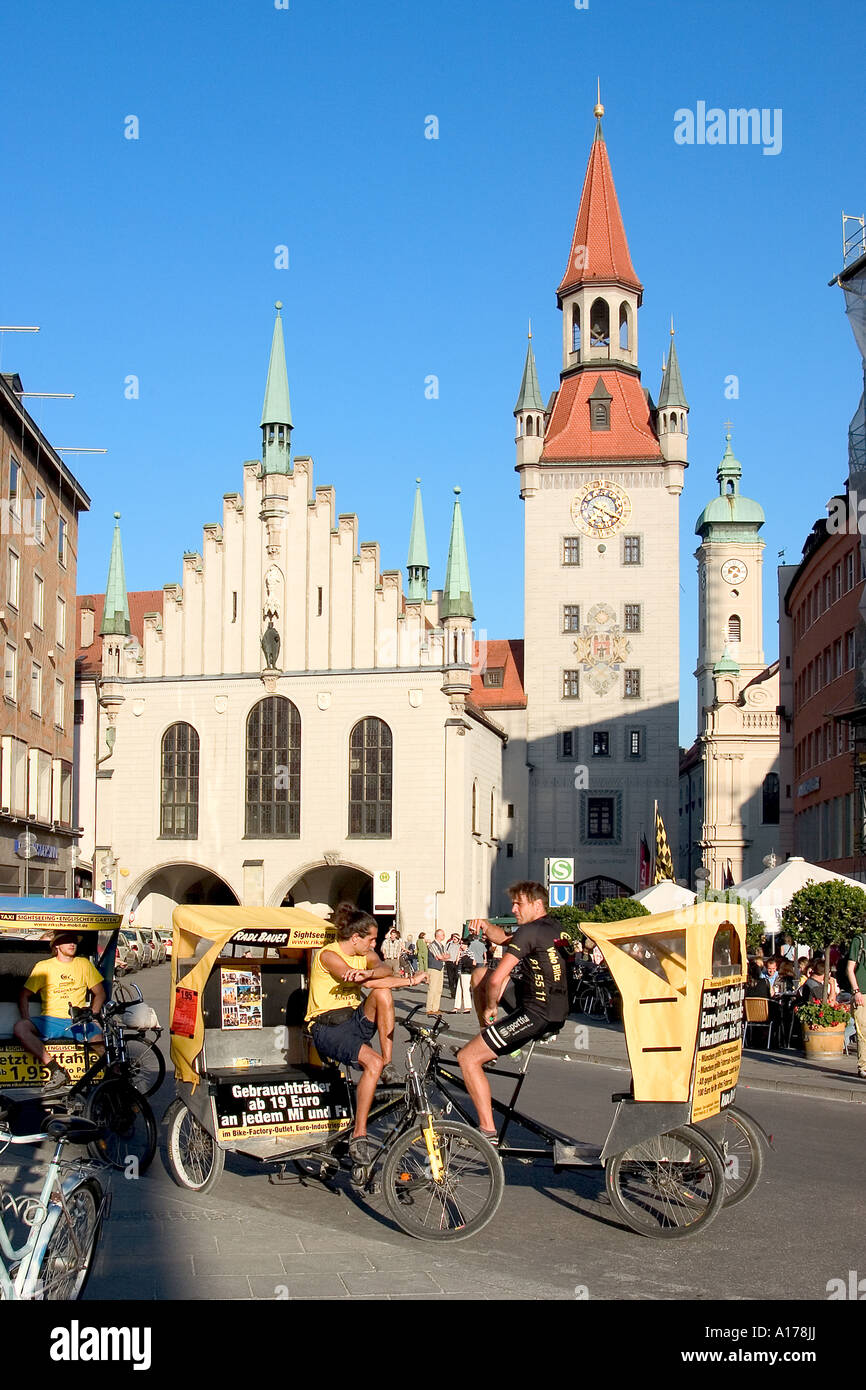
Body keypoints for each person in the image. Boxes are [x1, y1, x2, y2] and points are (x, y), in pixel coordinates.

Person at [305, 903, 426, 1166]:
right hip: (328, 1027)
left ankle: (388, 1063)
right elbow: (356, 977)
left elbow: (383, 971)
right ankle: (359, 1135)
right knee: (370, 1061)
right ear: (355, 938)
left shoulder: (366, 954)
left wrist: (371, 971)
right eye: (371, 938)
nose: (375, 943)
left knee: (383, 994)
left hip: (353, 1019)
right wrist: (409, 981)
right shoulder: (329, 955)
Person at [457, 882, 568, 1143]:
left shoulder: (529, 932)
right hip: (552, 1006)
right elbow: (502, 938)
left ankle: (487, 1132)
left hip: (535, 1013)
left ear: (537, 905)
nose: (513, 908)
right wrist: (484, 925)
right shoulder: (550, 927)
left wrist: (492, 1008)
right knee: (479, 975)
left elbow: (497, 980)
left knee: (467, 1059)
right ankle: (488, 1037)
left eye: (519, 903)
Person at [13, 932, 105, 1093]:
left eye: (74, 941)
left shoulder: (83, 964)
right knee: (21, 1027)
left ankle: (116, 1077)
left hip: (77, 1021)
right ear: (57, 946)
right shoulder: (44, 966)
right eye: (67, 941)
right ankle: (56, 1070)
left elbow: (100, 993)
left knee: (99, 1039)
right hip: (49, 1020)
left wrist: (93, 1015)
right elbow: (24, 995)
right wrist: (27, 1018)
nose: (72, 944)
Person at [845, 927, 866, 1080]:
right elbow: (850, 968)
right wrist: (856, 990)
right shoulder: (859, 940)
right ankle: (864, 1066)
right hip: (862, 993)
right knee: (863, 1032)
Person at [425, 929, 447, 1016]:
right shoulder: (432, 945)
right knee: (432, 989)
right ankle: (429, 1008)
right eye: (443, 935)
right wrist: (443, 957)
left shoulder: (441, 945)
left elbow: (446, 955)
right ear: (438, 935)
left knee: (438, 989)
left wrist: (443, 957)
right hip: (434, 968)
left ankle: (435, 1008)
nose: (444, 936)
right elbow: (440, 956)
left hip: (440, 968)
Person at [452, 941, 474, 1013]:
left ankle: (467, 1007)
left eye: (462, 944)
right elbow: (457, 962)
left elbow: (472, 962)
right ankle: (456, 1007)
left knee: (465, 990)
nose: (461, 945)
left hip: (466, 973)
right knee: (459, 990)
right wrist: (459, 953)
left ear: (466, 945)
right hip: (461, 972)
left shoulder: (469, 952)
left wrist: (463, 958)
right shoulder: (462, 952)